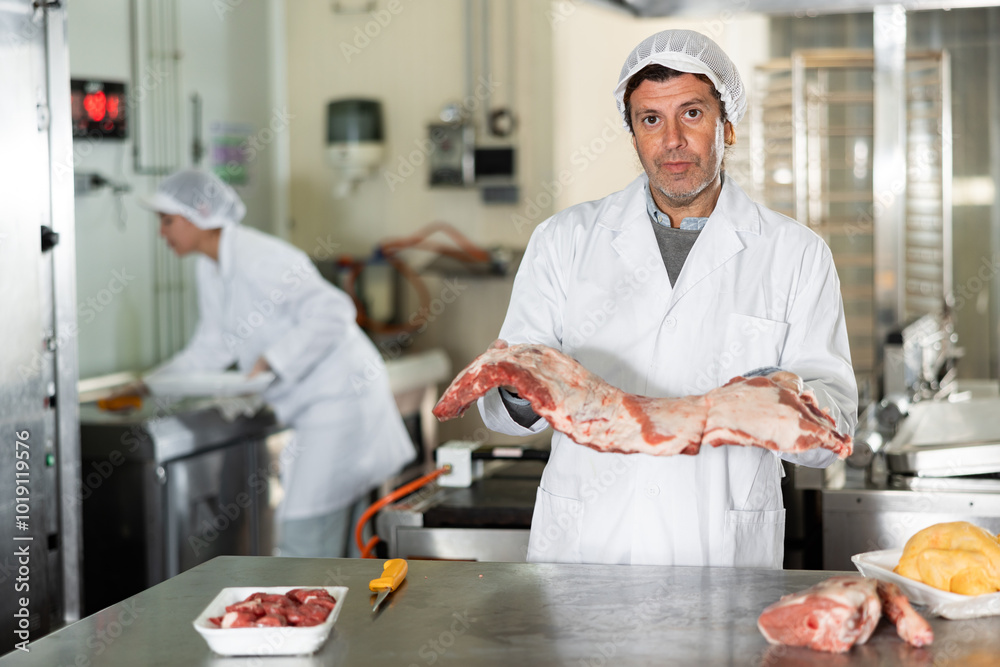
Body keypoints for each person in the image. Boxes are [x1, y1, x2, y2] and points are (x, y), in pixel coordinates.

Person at [478, 30, 857, 568]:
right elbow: (505, 410)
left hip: (720, 550)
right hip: (589, 545)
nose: (672, 139)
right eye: (650, 119)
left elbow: (835, 427)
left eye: (693, 114)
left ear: (727, 124)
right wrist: (526, 387)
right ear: (633, 133)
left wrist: (775, 405)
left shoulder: (796, 254)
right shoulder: (564, 240)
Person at [139, 169, 415, 557]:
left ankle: (312, 616)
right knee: (347, 553)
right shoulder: (211, 267)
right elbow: (212, 347)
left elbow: (334, 310)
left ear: (199, 216)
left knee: (304, 544)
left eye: (167, 221)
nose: (161, 233)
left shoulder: (257, 255)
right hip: (321, 412)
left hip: (340, 404)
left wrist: (272, 359)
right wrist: (150, 385)